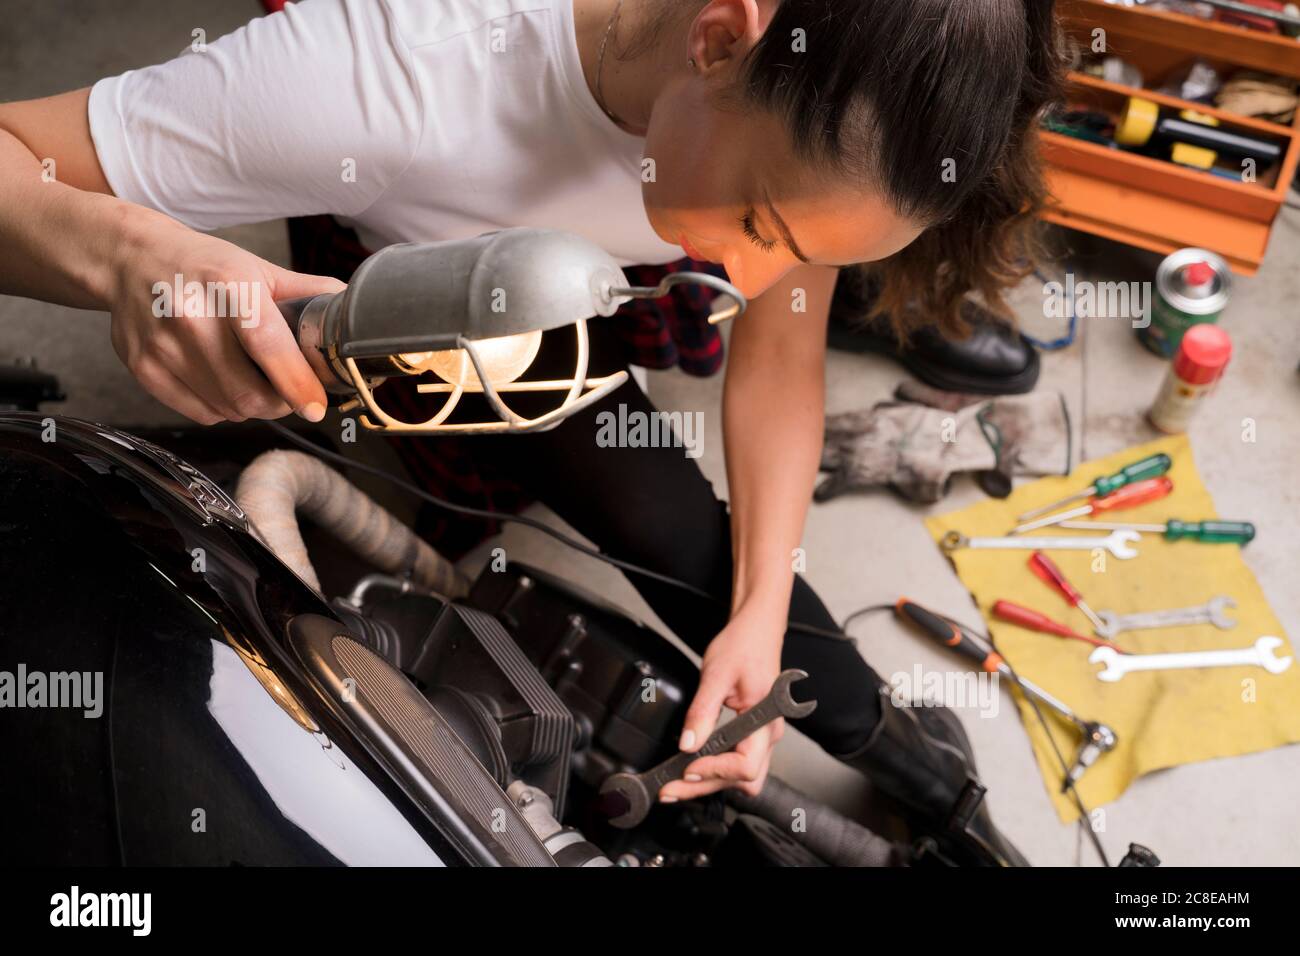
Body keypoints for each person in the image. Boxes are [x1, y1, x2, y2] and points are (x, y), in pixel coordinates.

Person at [0, 0, 1063, 865]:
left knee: (712, 557)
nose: (749, 282)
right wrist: (130, 257)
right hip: (438, 252)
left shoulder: (819, 75)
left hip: (544, 264)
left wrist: (761, 610)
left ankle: (927, 780)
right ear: (717, 38)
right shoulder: (385, 86)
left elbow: (782, 349)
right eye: (758, 224)